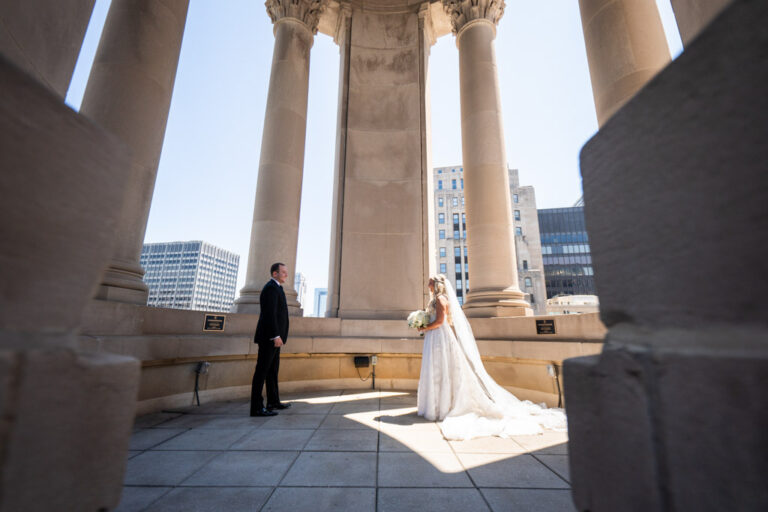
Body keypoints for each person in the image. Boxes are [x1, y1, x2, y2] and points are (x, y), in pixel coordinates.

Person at [417, 274, 566, 440]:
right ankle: (438, 404)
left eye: (430, 282)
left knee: (440, 369)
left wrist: (425, 327)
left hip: (439, 336)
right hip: (435, 337)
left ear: (436, 284)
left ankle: (443, 406)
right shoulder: (437, 299)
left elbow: (440, 321)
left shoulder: (440, 299)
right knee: (438, 369)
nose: (428, 284)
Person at [250, 262, 292, 417]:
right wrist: (275, 335)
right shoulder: (270, 288)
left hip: (276, 338)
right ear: (275, 273)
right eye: (283, 272)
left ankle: (273, 401)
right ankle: (256, 408)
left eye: (286, 272)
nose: (286, 274)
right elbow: (269, 314)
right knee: (261, 372)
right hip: (270, 338)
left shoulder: (277, 288)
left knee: (272, 371)